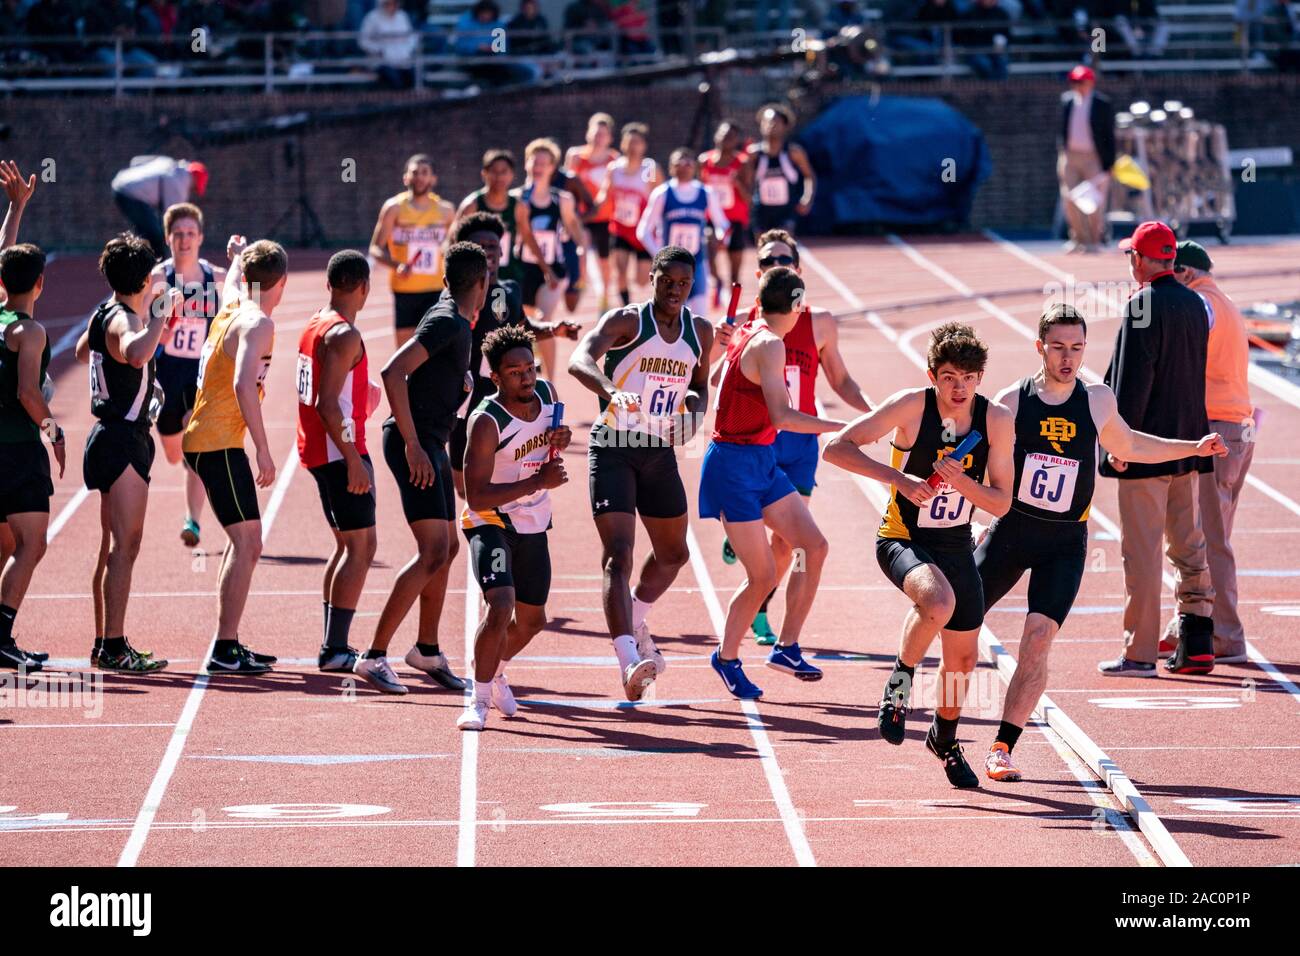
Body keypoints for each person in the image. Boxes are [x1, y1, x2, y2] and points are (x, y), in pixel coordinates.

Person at [977, 304, 1226, 782]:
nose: (1067, 358)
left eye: (1076, 348)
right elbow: (983, 467)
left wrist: (1192, 447)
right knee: (955, 617)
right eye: (1058, 348)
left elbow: (1131, 445)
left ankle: (1003, 747)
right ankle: (926, 707)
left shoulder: (1096, 400)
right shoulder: (1011, 401)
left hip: (1064, 541)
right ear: (1040, 348)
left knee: (1037, 638)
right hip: (1012, 531)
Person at [823, 323, 1015, 789]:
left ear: (980, 378)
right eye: (949, 376)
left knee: (963, 661)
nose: (958, 387)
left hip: (955, 544)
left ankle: (944, 740)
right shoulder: (912, 405)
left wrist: (964, 483)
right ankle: (899, 684)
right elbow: (835, 449)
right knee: (937, 602)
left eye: (968, 377)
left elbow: (1002, 502)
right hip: (902, 538)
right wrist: (901, 480)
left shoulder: (997, 420)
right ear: (933, 375)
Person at [567, 245, 716, 701]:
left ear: (692, 285)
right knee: (618, 555)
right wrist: (613, 391)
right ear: (651, 277)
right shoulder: (627, 322)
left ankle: (632, 615)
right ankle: (628, 656)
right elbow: (579, 359)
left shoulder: (700, 332)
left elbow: (698, 388)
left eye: (683, 283)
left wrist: (692, 416)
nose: (675, 290)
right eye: (667, 281)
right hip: (614, 445)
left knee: (674, 554)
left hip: (657, 448)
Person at [717, 229, 872, 645]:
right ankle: (742, 534)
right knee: (769, 539)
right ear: (759, 272)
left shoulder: (820, 323)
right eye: (768, 262)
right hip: (757, 441)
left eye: (784, 260)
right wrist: (716, 347)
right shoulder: (747, 325)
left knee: (787, 543)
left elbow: (839, 379)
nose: (777, 266)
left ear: (800, 269)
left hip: (799, 444)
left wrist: (873, 414)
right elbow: (716, 385)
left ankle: (763, 608)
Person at [700, 267, 845, 698]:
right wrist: (841, 426)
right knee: (762, 576)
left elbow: (715, 381)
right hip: (733, 466)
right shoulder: (769, 343)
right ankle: (726, 658)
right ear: (799, 307)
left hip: (760, 459)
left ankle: (787, 646)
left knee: (812, 546)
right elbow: (783, 417)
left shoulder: (751, 331)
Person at [356, 242, 488, 695]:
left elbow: (428, 376)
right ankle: (373, 656)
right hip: (414, 441)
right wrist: (412, 444)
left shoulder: (456, 321)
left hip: (430, 439)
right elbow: (394, 372)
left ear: (448, 280)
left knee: (447, 547)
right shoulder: (446, 320)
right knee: (434, 550)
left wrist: (459, 382)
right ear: (483, 284)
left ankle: (427, 649)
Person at [1098, 221, 1218, 677]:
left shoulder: (1142, 306)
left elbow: (1132, 382)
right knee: (1190, 547)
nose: (1131, 262)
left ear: (1142, 259)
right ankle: (1199, 640)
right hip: (1189, 446)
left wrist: (1119, 443)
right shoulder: (1194, 303)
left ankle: (1139, 652)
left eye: (1132, 255)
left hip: (1147, 450)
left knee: (1143, 554)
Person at [182, 237, 288, 675]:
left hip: (209, 439)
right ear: (281, 282)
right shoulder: (258, 323)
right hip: (219, 443)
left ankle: (228, 643)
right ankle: (225, 648)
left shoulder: (233, 307)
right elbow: (246, 384)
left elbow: (232, 286)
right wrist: (262, 450)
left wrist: (235, 259)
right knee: (249, 542)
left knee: (241, 540)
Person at [457, 325, 571, 730]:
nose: (527, 378)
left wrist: (563, 436)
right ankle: (478, 699)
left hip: (533, 518)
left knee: (533, 619)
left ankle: (495, 666)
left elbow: (553, 439)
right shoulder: (486, 422)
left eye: (531, 368)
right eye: (516, 372)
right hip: (490, 519)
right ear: (496, 378)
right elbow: (476, 496)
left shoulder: (548, 396)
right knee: (501, 603)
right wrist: (538, 481)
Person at [75, 233, 176, 673]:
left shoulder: (106, 311)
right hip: (123, 441)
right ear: (142, 279)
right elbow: (135, 356)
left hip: (109, 436)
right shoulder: (125, 320)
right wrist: (157, 319)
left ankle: (105, 643)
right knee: (125, 547)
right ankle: (114, 645)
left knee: (111, 547)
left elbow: (83, 351)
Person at [1158, 241, 1254, 666]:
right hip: (1234, 428)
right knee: (1205, 535)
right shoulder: (1223, 301)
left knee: (1207, 538)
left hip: (1217, 429)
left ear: (1182, 271)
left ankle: (1226, 636)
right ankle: (1187, 625)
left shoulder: (1201, 303)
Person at [296, 250, 381, 675]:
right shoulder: (344, 335)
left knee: (347, 546)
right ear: (364, 288)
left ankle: (332, 642)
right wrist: (353, 460)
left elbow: (331, 396)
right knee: (362, 548)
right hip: (338, 452)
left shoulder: (314, 324)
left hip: (319, 450)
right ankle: (335, 648)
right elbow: (328, 405)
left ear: (329, 283)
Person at [447, 211, 561, 499]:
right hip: (465, 396)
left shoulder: (509, 291)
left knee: (507, 466)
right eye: (481, 246)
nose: (489, 251)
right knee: (463, 485)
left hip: (502, 393)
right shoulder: (456, 296)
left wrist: (553, 329)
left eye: (494, 245)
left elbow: (524, 328)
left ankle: (501, 529)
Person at [0, 236, 66, 672]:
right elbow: (27, 392)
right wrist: (54, 432)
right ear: (41, 283)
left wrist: (16, 210)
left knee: (5, 543)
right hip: (19, 452)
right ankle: (1, 636)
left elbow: (5, 255)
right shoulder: (30, 331)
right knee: (32, 544)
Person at [146, 202, 225, 549]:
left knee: (194, 449)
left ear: (201, 237)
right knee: (174, 453)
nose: (184, 240)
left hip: (200, 373)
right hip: (166, 375)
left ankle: (193, 520)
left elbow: (251, 291)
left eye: (190, 233)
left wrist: (242, 261)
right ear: (167, 237)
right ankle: (180, 456)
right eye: (177, 234)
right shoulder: (159, 277)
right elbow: (144, 311)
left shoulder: (215, 276)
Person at [513, 138, 586, 382]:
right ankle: (530, 365)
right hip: (522, 270)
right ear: (527, 164)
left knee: (544, 320)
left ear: (553, 167)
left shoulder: (561, 199)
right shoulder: (516, 199)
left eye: (544, 162)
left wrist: (582, 257)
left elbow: (575, 229)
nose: (539, 166)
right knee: (524, 323)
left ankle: (550, 383)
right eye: (534, 161)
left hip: (553, 272)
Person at [368, 153, 456, 346]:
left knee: (435, 348)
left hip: (436, 290)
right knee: (404, 351)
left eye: (425, 172)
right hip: (405, 290)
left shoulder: (446, 211)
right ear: (405, 177)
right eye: (414, 172)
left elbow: (454, 246)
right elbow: (375, 248)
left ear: (433, 178)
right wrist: (396, 264)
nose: (419, 177)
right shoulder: (394, 208)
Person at [636, 147, 731, 319]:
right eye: (680, 162)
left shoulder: (706, 193)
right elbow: (643, 231)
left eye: (689, 162)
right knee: (670, 315)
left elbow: (723, 224)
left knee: (700, 315)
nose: (685, 166)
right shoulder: (663, 193)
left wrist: (720, 237)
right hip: (670, 265)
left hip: (698, 263)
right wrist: (660, 255)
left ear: (694, 167)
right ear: (672, 167)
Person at [454, 148, 551, 289]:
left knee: (502, 310)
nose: (499, 177)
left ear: (512, 175)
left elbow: (528, 237)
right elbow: (454, 238)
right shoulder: (472, 205)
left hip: (507, 274)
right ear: (484, 174)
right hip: (477, 276)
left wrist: (547, 270)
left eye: (504, 172)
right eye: (494, 171)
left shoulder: (517, 206)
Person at [596, 122, 662, 308]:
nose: (633, 147)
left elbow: (660, 195)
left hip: (643, 231)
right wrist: (591, 209)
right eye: (630, 142)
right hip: (620, 228)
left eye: (637, 142)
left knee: (641, 280)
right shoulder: (614, 168)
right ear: (623, 144)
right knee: (620, 271)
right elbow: (604, 194)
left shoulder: (649, 169)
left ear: (644, 146)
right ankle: (626, 308)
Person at [566, 113, 621, 313]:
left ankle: (604, 295)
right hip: (580, 217)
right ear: (588, 133)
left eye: (603, 134)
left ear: (610, 138)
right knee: (581, 251)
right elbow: (567, 184)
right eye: (596, 133)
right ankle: (579, 283)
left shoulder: (614, 160)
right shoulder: (576, 156)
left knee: (604, 260)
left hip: (604, 217)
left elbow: (614, 187)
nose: (599, 137)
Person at [1057, 64, 1116, 253]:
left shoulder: (1101, 103)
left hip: (1093, 156)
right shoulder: (1067, 101)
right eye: (1074, 82)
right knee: (1069, 197)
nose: (1077, 86)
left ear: (1090, 82)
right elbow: (1063, 128)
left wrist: (1109, 163)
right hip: (1071, 155)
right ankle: (1078, 238)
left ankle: (1093, 240)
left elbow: (1109, 134)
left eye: (1080, 82)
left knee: (1095, 200)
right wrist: (1062, 151)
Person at [699, 120, 753, 310]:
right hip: (712, 218)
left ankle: (732, 302)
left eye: (731, 136)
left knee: (735, 268)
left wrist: (737, 183)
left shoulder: (742, 163)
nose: (726, 139)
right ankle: (717, 281)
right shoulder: (704, 161)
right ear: (716, 136)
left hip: (735, 219)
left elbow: (749, 199)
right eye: (723, 134)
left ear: (736, 140)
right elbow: (698, 190)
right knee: (709, 246)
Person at [110, 156, 209, 257]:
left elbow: (135, 161)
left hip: (121, 182)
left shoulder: (168, 162)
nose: (192, 191)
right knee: (155, 235)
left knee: (148, 231)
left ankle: (142, 258)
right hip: (129, 194)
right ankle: (156, 265)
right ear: (194, 180)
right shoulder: (179, 184)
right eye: (195, 188)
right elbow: (173, 217)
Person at [747, 104, 815, 235]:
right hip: (761, 211)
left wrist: (807, 198)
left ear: (785, 126)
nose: (770, 125)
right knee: (764, 252)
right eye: (766, 121)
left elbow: (809, 176)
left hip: (786, 210)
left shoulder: (794, 152)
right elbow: (747, 180)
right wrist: (748, 199)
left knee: (783, 248)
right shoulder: (753, 154)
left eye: (775, 121)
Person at [358, 0, 419, 89]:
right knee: (396, 80)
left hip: (403, 60)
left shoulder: (402, 16)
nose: (392, 6)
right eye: (389, 3)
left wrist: (407, 51)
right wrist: (379, 50)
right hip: (382, 62)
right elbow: (363, 41)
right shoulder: (372, 17)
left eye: (394, 3)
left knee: (415, 77)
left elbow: (411, 37)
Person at [956, 0, 1012, 80]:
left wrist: (1002, 43)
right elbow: (963, 36)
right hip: (975, 50)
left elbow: (1006, 34)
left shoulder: (1001, 13)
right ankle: (992, 89)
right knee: (985, 64)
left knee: (1002, 61)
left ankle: (999, 89)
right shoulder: (970, 13)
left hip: (995, 50)